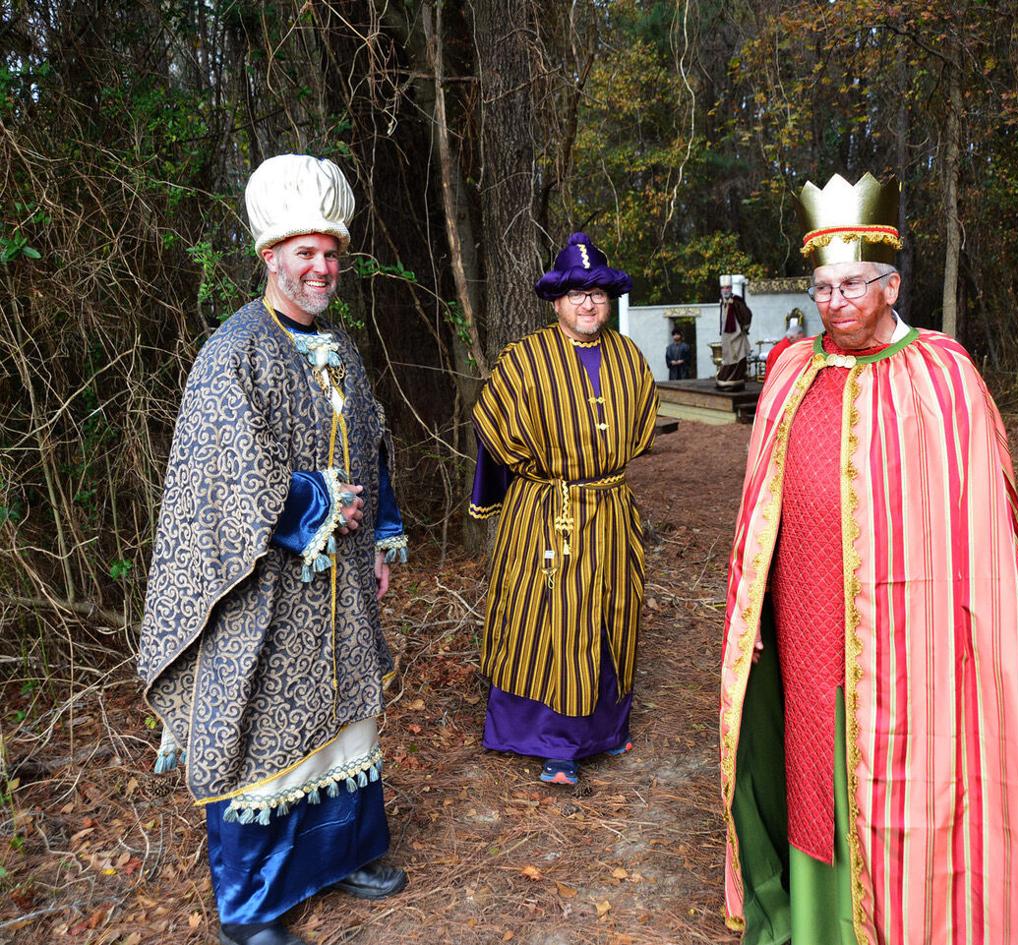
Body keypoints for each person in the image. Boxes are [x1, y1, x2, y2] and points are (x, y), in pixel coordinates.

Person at [718, 173, 1018, 945]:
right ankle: (823, 922)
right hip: (808, 618)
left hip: (912, 635)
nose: (836, 302)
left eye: (853, 284)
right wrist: (753, 607)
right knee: (814, 760)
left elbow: (980, 525)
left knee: (906, 774)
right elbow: (759, 511)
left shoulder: (944, 374)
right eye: (823, 287)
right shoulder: (792, 369)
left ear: (891, 283)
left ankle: (916, 914)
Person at [138, 155, 410, 945]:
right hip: (265, 590)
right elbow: (228, 473)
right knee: (262, 734)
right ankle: (253, 908)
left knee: (350, 718)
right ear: (270, 258)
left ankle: (345, 855)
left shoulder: (340, 348)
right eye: (304, 254)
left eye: (331, 253)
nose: (322, 267)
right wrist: (318, 500)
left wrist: (382, 536)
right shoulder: (234, 351)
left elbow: (374, 444)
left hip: (341, 589)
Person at [468, 232, 658, 787]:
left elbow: (641, 427)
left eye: (597, 292)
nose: (588, 303)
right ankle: (550, 742)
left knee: (610, 614)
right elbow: (492, 430)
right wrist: (495, 496)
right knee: (548, 619)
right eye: (576, 293)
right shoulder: (524, 360)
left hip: (612, 508)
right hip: (545, 515)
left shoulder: (629, 357)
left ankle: (604, 730)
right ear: (557, 302)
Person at [715, 275, 753, 391]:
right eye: (724, 288)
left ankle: (734, 383)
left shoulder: (737, 301)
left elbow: (747, 315)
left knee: (737, 359)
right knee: (727, 359)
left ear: (731, 288)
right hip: (727, 338)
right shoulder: (723, 302)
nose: (726, 290)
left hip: (737, 337)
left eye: (728, 288)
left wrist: (744, 328)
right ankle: (726, 382)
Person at [762, 320, 802, 384]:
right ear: (792, 338)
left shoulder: (787, 345)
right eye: (800, 339)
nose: (801, 341)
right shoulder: (782, 349)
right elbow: (775, 372)